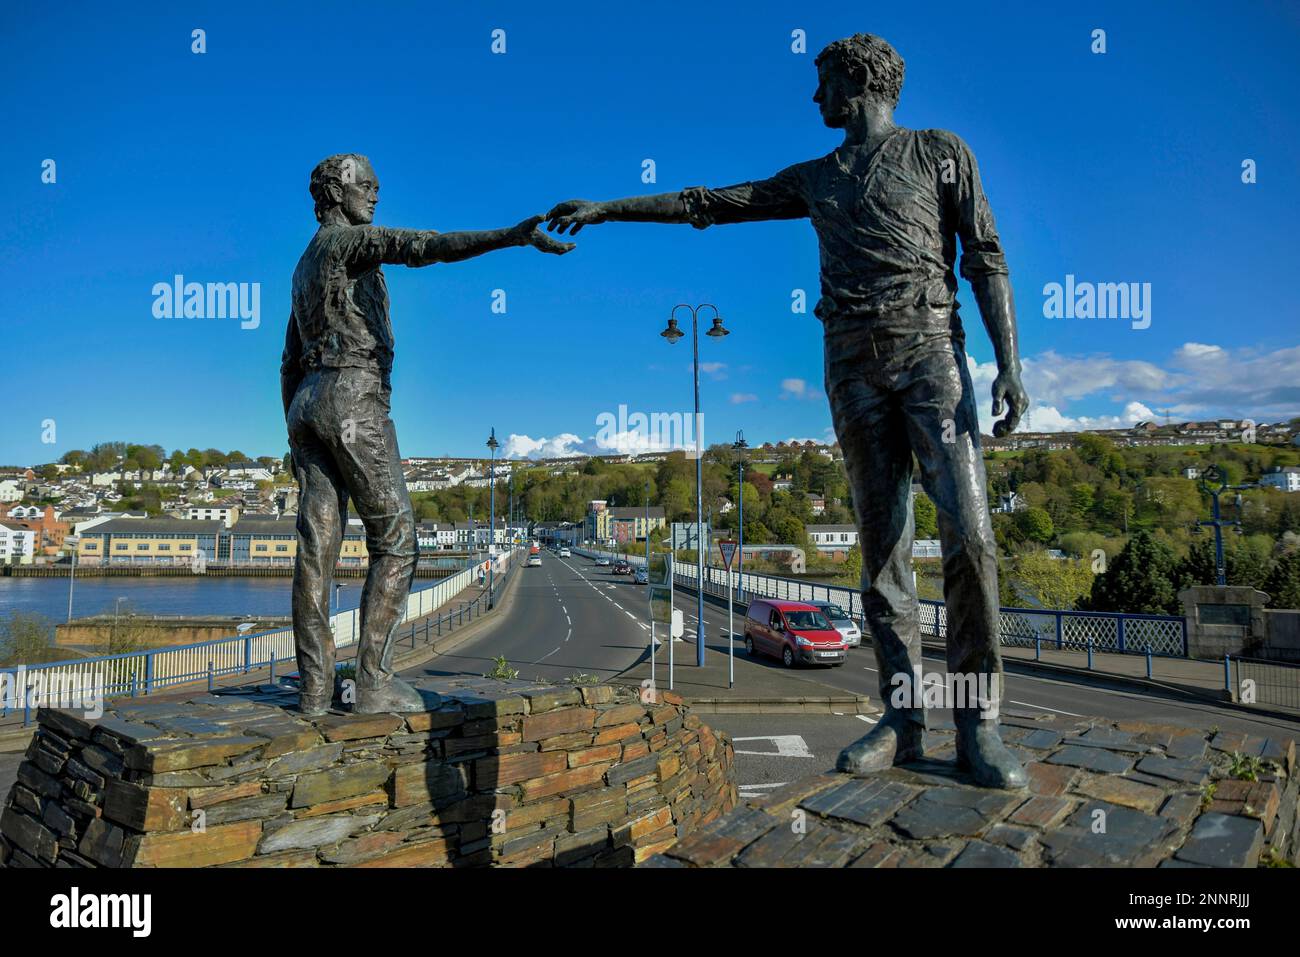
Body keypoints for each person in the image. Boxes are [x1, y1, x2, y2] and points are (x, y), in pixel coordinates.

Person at [544, 34, 1029, 787]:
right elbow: (708, 203)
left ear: (860, 80)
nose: (815, 99)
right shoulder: (817, 176)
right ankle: (903, 719)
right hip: (850, 363)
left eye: (825, 82)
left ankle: (980, 726)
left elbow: (985, 256)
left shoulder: (940, 151)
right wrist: (609, 209)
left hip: (932, 348)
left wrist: (1009, 364)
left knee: (970, 536)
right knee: (883, 554)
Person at [281, 153, 573, 715]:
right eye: (365, 184)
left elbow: (289, 361)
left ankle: (315, 690)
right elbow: (427, 246)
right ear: (336, 193)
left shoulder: (303, 265)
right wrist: (510, 236)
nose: (376, 191)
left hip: (307, 405)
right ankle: (372, 683)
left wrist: (294, 436)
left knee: (316, 552)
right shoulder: (346, 244)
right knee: (396, 542)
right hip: (352, 399)